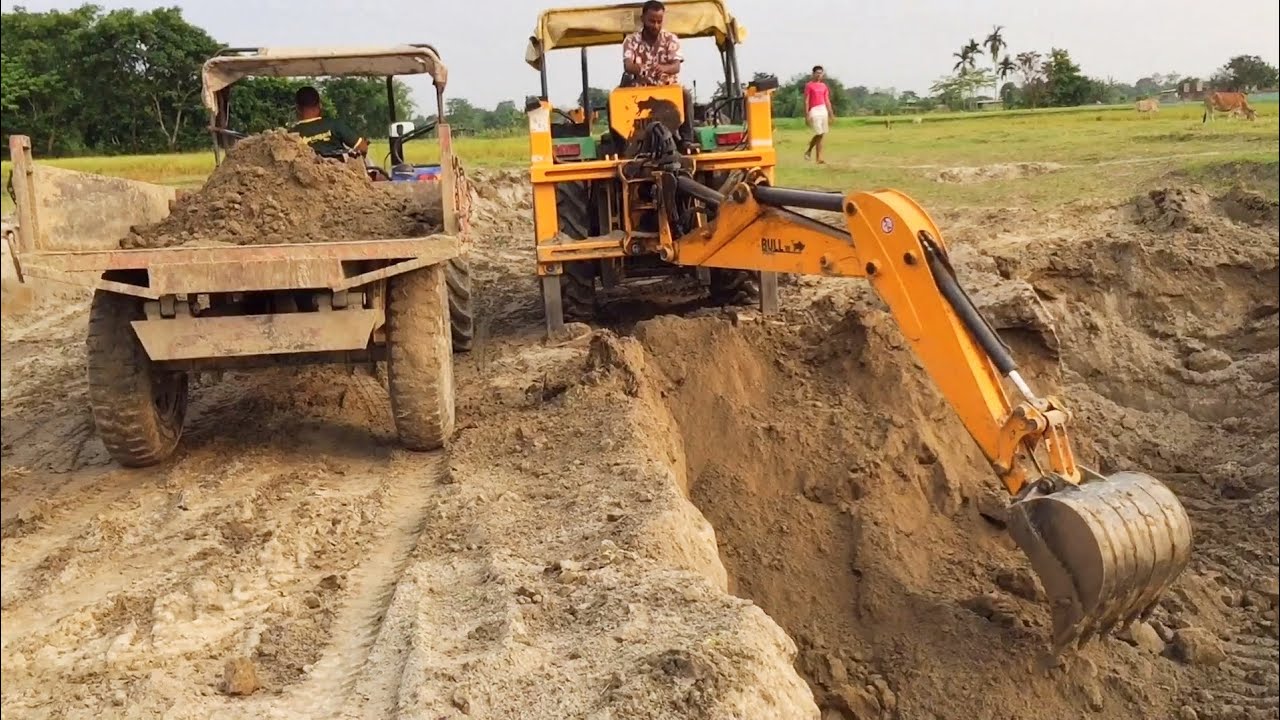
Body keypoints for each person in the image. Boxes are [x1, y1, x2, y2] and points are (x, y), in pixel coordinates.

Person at [621, 0, 695, 147]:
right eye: (652, 21)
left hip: (667, 89)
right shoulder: (631, 41)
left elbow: (676, 66)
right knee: (613, 101)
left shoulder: (671, 39)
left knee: (685, 94)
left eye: (659, 22)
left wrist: (664, 68)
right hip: (640, 92)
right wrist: (642, 69)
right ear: (643, 19)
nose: (655, 25)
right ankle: (621, 144)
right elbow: (628, 65)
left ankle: (687, 139)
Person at [288, 86, 369, 158]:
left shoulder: (290, 136)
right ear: (320, 105)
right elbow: (362, 148)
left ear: (298, 108)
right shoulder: (335, 125)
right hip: (341, 173)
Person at [803, 65, 835, 163]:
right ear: (813, 74)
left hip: (823, 109)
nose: (819, 75)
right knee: (819, 132)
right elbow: (806, 100)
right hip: (814, 110)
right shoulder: (809, 85)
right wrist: (806, 114)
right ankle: (808, 150)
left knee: (822, 134)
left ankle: (819, 158)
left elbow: (827, 100)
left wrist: (831, 113)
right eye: (817, 73)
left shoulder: (824, 86)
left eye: (821, 73)